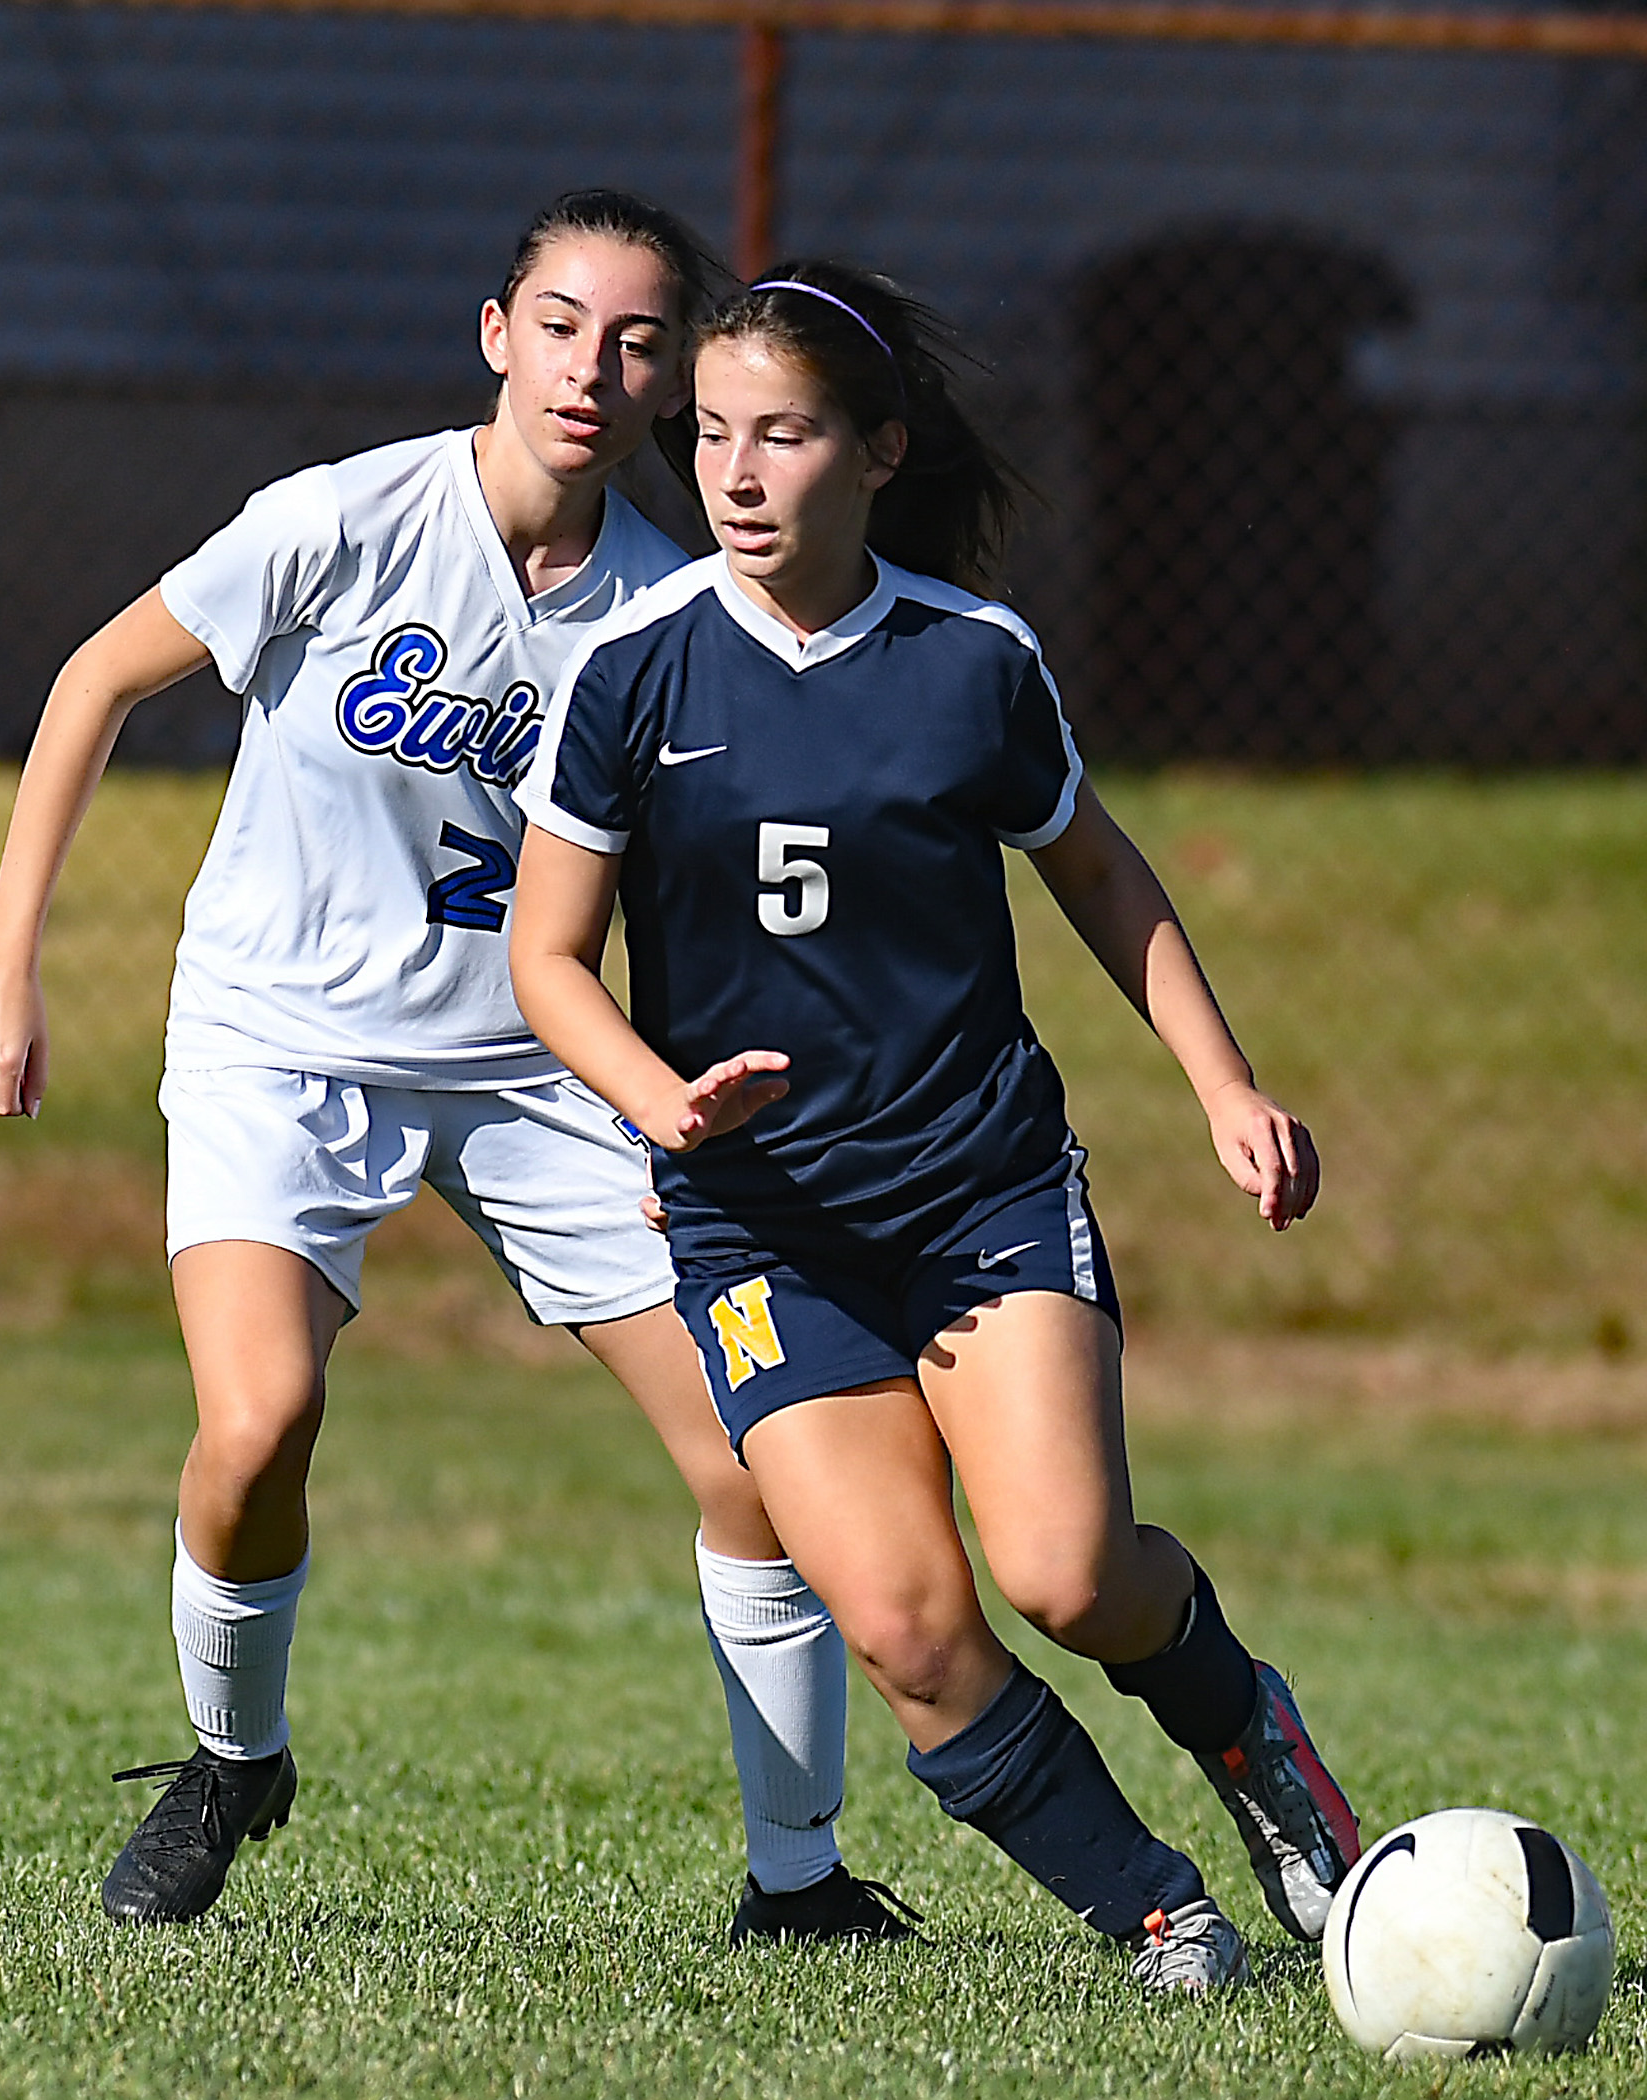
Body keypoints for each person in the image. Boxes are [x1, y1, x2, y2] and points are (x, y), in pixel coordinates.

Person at [0, 194, 916, 1948]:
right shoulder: (347, 519)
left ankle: (799, 1882)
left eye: (634, 341)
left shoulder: (672, 608)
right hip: (279, 1036)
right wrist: (5, 961)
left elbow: (722, 867)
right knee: (258, 1427)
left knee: (749, 1460)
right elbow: (94, 681)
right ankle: (232, 1759)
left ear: (667, 379)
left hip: (537, 1064)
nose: (590, 368)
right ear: (496, 333)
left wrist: (698, 1084)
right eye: (560, 325)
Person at [509, 260, 1362, 1994]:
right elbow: (545, 955)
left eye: (789, 436)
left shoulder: (972, 663)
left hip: (977, 1189)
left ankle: (1248, 1731)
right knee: (904, 1628)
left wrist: (1225, 1086)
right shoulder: (631, 671)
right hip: (761, 1231)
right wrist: (657, 1099)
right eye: (716, 436)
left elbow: (1103, 875)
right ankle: (1160, 1913)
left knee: (1064, 1576)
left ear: (880, 450)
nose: (739, 474)